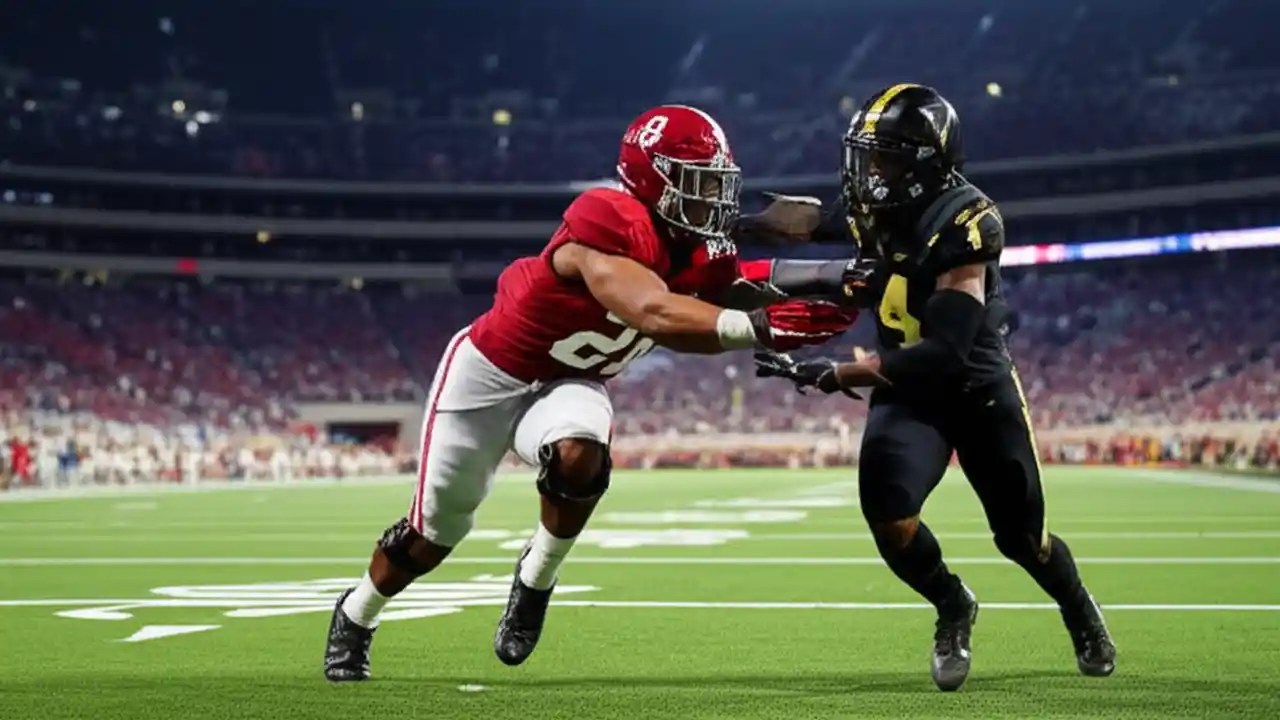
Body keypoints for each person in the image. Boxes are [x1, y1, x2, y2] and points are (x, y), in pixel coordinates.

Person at [323, 104, 856, 682]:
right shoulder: (607, 218)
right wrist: (761, 328)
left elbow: (738, 282)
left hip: (570, 380)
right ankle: (356, 614)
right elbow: (654, 311)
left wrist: (841, 274)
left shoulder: (695, 244)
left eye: (716, 183)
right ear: (653, 179)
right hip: (488, 375)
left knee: (581, 456)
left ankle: (536, 579)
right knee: (435, 534)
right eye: (697, 182)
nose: (714, 199)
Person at [753, 84, 1116, 691]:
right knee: (889, 517)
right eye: (868, 154)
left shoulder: (968, 223)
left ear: (924, 162)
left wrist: (838, 371)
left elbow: (945, 352)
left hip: (972, 388)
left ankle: (1079, 609)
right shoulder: (880, 205)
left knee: (1023, 540)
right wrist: (726, 227)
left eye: (886, 156)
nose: (870, 171)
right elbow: (811, 221)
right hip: (906, 389)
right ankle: (953, 604)